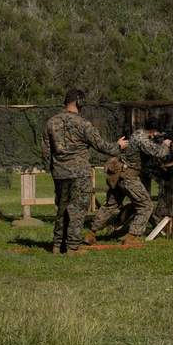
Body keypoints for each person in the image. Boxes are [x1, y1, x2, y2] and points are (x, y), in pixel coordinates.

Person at [42, 89, 128, 255]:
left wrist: (51, 169)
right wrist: (118, 145)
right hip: (79, 174)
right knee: (77, 210)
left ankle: (57, 245)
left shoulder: (51, 122)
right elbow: (102, 146)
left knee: (62, 209)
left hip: (59, 173)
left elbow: (46, 151)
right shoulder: (83, 124)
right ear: (79, 102)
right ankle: (72, 247)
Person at [85, 116, 173, 247]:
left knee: (110, 206)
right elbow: (159, 153)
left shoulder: (138, 134)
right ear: (154, 132)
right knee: (146, 206)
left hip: (121, 176)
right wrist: (166, 144)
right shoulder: (142, 139)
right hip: (128, 178)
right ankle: (131, 238)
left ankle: (90, 234)